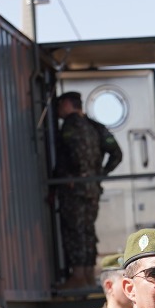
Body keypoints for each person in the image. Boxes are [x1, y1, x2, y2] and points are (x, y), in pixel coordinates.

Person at [52, 91, 122, 289]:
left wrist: (78, 175)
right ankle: (89, 275)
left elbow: (77, 150)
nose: (58, 111)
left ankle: (79, 276)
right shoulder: (95, 126)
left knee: (75, 230)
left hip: (75, 190)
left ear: (67, 104)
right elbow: (116, 153)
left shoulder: (72, 124)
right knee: (88, 231)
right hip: (92, 189)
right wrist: (98, 175)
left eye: (59, 106)